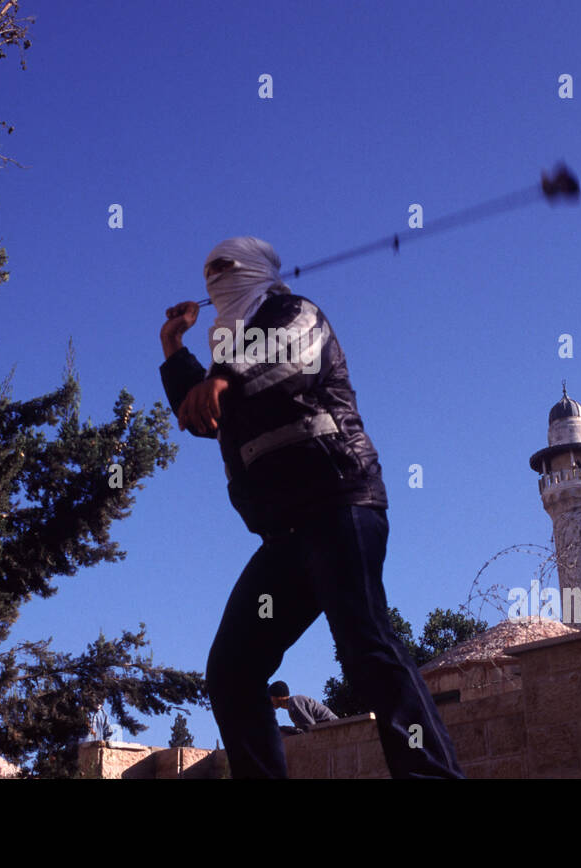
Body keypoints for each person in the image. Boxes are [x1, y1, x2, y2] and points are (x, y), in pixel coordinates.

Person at [159, 236, 464, 779]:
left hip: (341, 504)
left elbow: (278, 365)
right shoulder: (229, 361)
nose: (219, 286)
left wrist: (221, 376)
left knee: (366, 643)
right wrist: (174, 349)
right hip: (286, 536)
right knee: (234, 669)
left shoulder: (297, 315)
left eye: (227, 272)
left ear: (256, 270)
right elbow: (203, 413)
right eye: (210, 278)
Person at [268, 680, 338, 734]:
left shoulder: (294, 702)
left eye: (270, 698)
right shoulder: (292, 705)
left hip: (334, 728)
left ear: (279, 697)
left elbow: (309, 728)